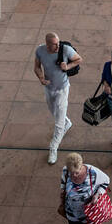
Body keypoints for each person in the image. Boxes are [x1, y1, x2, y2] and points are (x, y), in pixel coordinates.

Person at [34, 33, 82, 164]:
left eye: (58, 42)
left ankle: (53, 148)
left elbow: (79, 59)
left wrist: (68, 66)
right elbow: (37, 67)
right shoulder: (40, 50)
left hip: (62, 89)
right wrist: (41, 78)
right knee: (54, 112)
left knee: (58, 122)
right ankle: (67, 122)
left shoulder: (65, 49)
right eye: (54, 44)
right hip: (49, 88)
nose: (58, 46)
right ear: (47, 44)